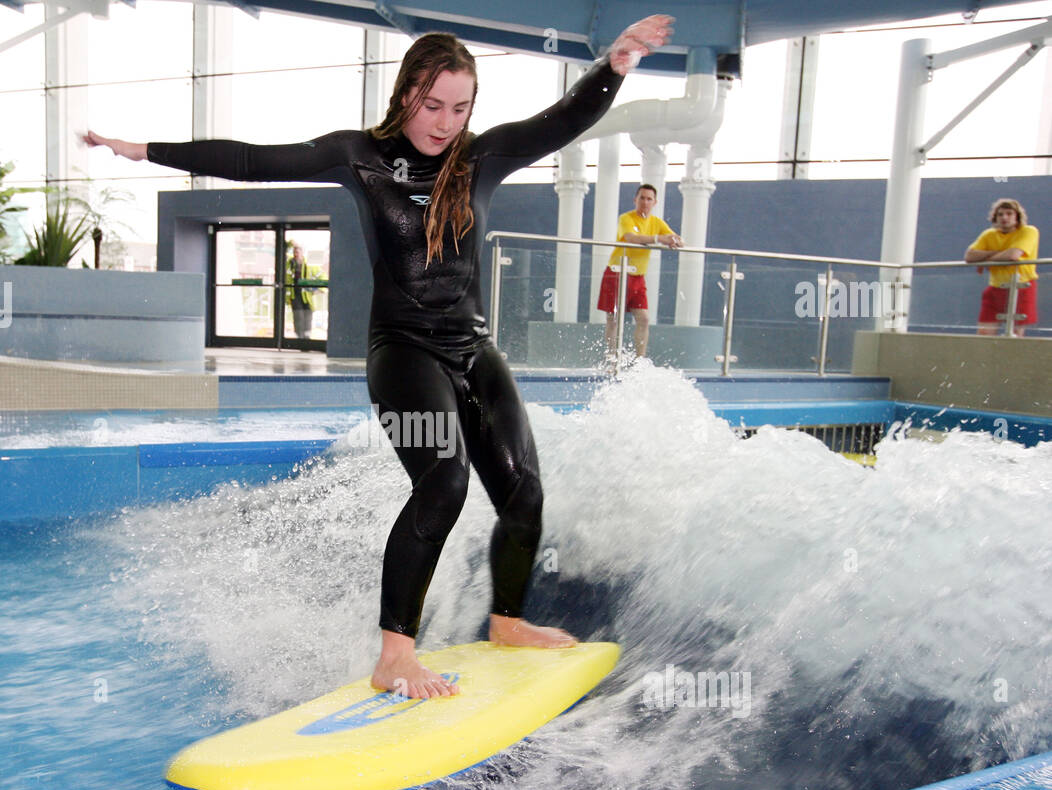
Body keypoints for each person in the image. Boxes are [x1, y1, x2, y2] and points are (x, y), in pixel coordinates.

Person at [84, 13, 674, 699]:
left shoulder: (480, 157)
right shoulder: (358, 155)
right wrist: (146, 149)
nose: (445, 121)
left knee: (523, 487)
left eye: (460, 107)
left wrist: (619, 62)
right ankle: (396, 653)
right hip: (402, 353)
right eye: (432, 105)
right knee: (445, 480)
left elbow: (562, 120)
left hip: (471, 349)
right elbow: (254, 160)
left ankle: (508, 620)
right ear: (405, 95)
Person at [597, 183, 681, 364]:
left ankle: (639, 362)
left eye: (649, 199)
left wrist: (673, 240)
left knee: (643, 318)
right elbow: (631, 238)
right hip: (617, 272)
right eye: (642, 198)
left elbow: (679, 240)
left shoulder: (657, 223)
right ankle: (612, 360)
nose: (645, 202)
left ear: (655, 202)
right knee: (613, 318)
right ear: (635, 200)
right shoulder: (626, 218)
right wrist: (659, 239)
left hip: (637, 276)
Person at [964, 198, 1039, 336]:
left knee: (1016, 334)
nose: (1004, 217)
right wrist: (999, 255)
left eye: (1009, 213)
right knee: (984, 333)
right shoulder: (989, 235)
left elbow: (1013, 255)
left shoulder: (1029, 231)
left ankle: (1013, 358)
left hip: (1022, 287)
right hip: (996, 287)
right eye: (1000, 214)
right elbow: (969, 256)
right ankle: (985, 358)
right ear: (995, 217)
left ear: (1017, 217)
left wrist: (985, 259)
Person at [285, 242, 323, 339]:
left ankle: (306, 339)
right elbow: (284, 254)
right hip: (295, 295)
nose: (296, 254)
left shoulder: (310, 265)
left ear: (302, 253)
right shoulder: (290, 263)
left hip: (307, 296)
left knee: (308, 318)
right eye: (294, 252)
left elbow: (322, 276)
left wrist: (318, 290)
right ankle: (300, 338)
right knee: (298, 317)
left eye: (298, 252)